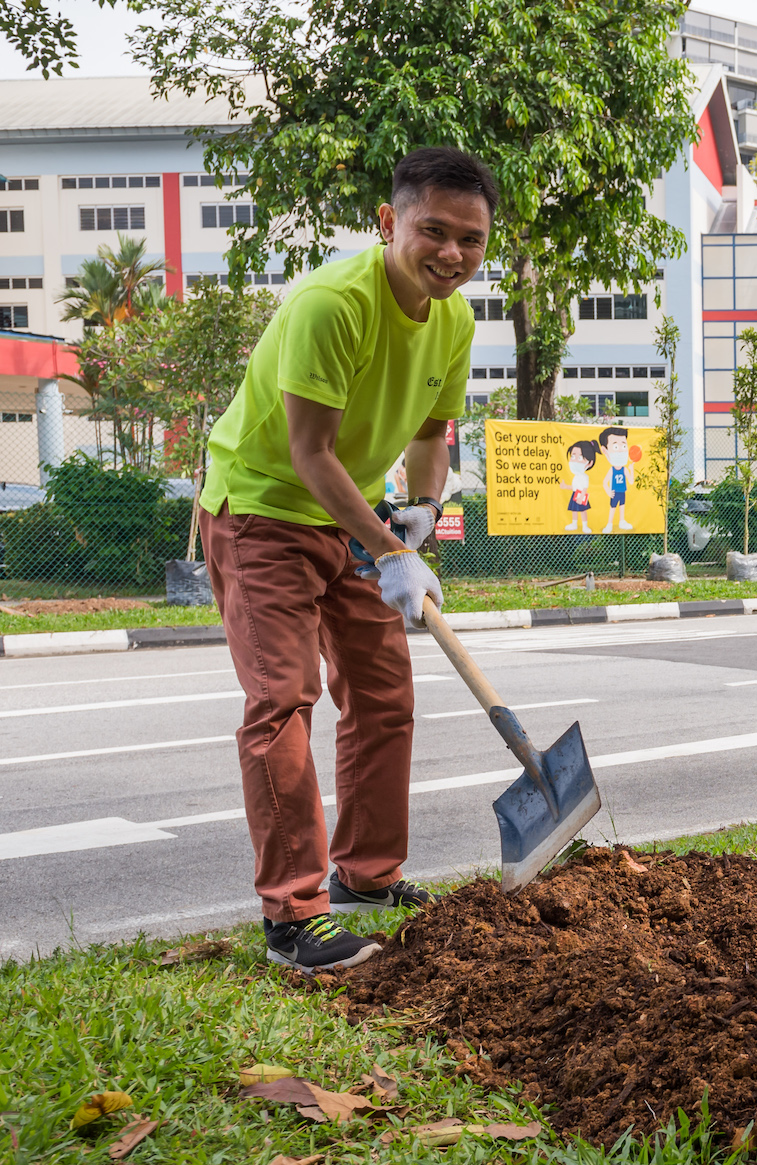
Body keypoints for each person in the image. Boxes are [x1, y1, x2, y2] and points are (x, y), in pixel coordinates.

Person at [198, 146, 493, 972]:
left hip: (356, 521)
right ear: (387, 222)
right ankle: (294, 917)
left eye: (470, 240)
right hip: (264, 508)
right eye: (432, 231)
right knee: (282, 700)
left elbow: (432, 434)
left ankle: (368, 876)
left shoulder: (456, 319)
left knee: (384, 695)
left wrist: (424, 514)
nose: (451, 254)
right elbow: (310, 453)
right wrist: (389, 547)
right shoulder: (334, 304)